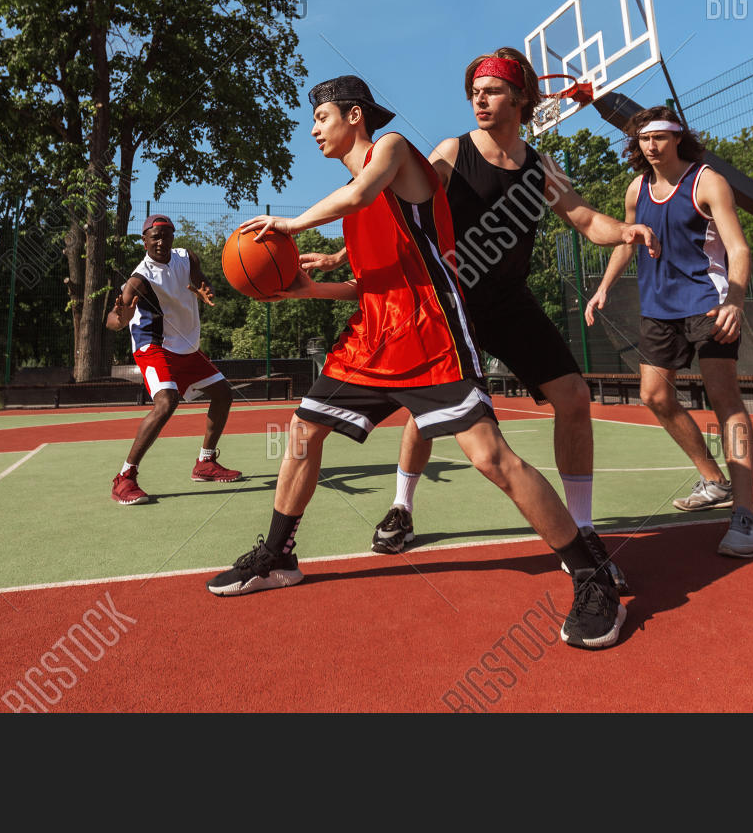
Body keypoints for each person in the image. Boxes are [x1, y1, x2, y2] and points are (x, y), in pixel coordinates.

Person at [206, 75, 626, 650]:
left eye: (322, 117)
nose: (314, 130)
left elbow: (357, 198)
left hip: (430, 329)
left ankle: (590, 575)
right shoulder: (356, 202)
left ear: (355, 116)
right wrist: (305, 290)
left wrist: (288, 222)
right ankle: (279, 553)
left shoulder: (394, 151)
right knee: (305, 428)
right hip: (373, 335)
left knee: (489, 456)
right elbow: (365, 285)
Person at [301, 48, 656, 588]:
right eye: (474, 91)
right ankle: (402, 506)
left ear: (519, 97)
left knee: (574, 398)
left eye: (490, 90)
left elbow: (586, 219)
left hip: (509, 302)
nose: (478, 99)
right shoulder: (452, 152)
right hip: (452, 299)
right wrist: (338, 258)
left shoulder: (540, 168)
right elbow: (402, 213)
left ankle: (582, 527)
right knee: (427, 416)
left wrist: (624, 230)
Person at [584, 105, 753, 557]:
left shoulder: (706, 182)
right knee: (655, 396)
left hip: (709, 305)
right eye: (644, 138)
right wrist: (603, 287)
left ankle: (747, 515)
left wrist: (735, 302)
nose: (651, 145)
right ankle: (713, 479)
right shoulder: (636, 188)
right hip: (659, 311)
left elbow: (739, 248)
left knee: (726, 400)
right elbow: (627, 241)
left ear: (677, 138)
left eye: (660, 137)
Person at [103, 213, 242, 504]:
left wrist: (205, 287)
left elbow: (198, 279)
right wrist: (122, 317)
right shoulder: (140, 279)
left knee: (223, 394)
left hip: (186, 345)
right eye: (155, 237)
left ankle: (205, 463)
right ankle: (124, 478)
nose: (161, 242)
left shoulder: (186, 257)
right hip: (153, 345)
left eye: (166, 235)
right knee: (167, 402)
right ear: (144, 241)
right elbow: (111, 320)